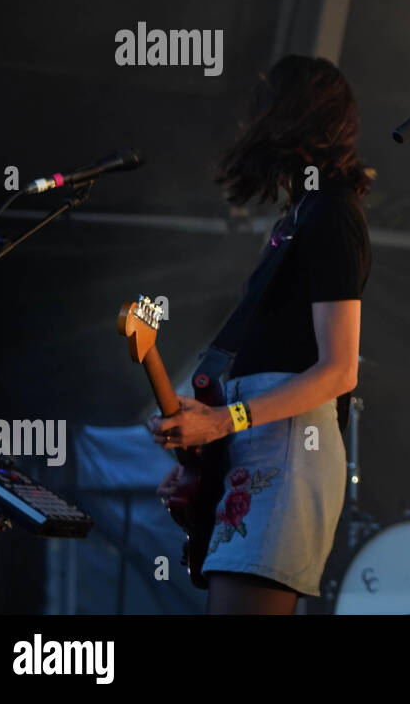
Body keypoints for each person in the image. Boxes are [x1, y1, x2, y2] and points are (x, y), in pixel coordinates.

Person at [149, 55, 373, 614]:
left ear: (296, 114)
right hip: (264, 439)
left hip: (293, 445)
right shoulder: (301, 216)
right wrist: (207, 454)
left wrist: (225, 420)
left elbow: (339, 368)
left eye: (265, 102)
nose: (250, 119)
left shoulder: (334, 215)